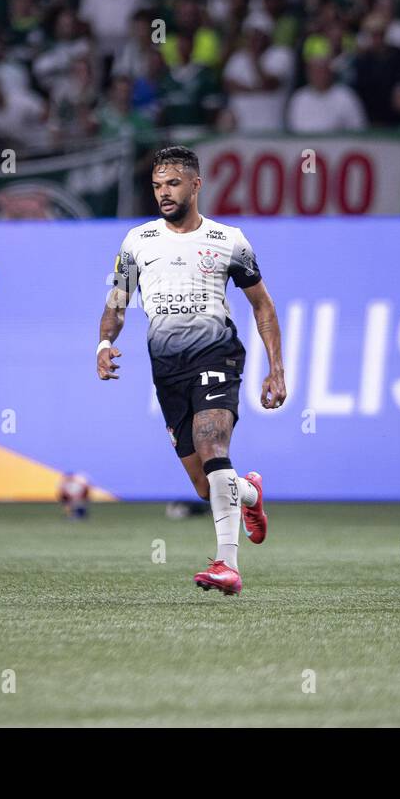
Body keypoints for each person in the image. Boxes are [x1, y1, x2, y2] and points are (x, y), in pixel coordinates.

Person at [96, 146, 287, 596]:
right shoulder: (137, 242)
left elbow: (262, 304)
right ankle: (250, 494)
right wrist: (105, 343)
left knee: (210, 440)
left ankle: (227, 565)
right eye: (158, 185)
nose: (164, 193)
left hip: (217, 355)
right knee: (206, 485)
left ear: (196, 185)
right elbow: (117, 304)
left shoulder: (229, 240)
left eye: (173, 184)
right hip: (167, 371)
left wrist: (276, 369)